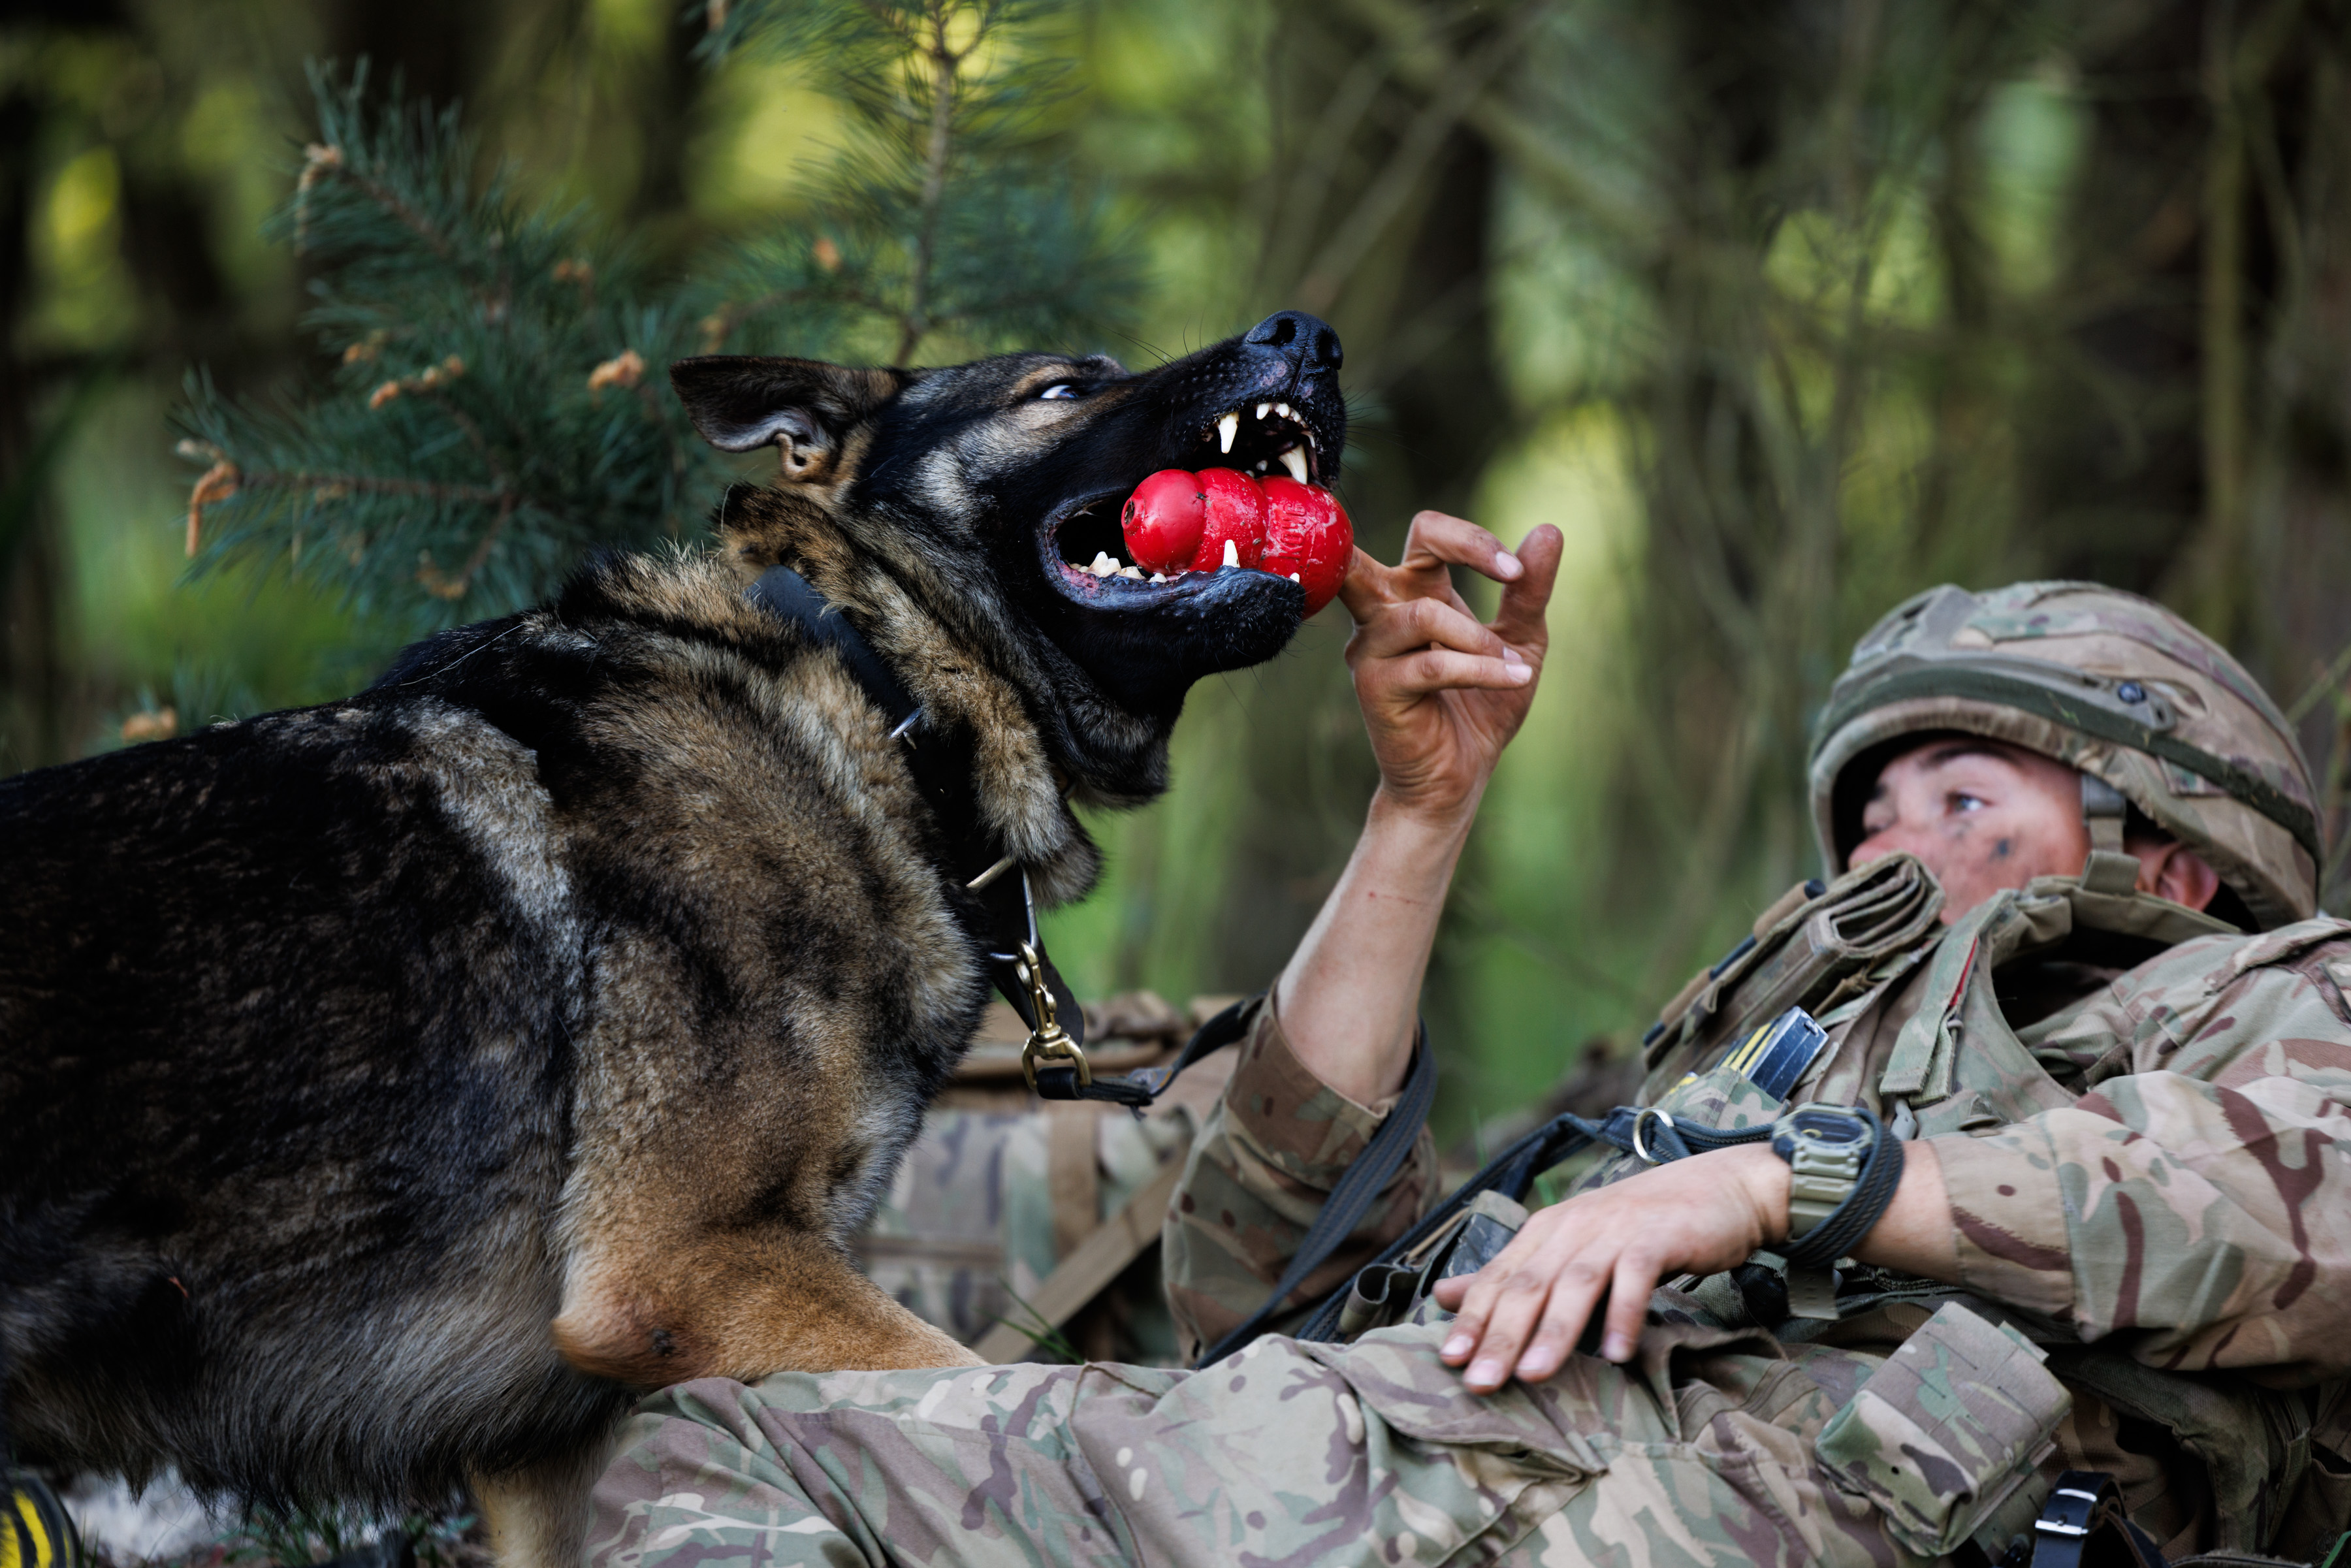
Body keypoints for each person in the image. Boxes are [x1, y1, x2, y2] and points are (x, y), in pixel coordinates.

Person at [586, 515, 2351, 1567]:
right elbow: (1247, 1263)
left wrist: (1769, 1183)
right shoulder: (1765, 1079)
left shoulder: (2250, 1002)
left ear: (2169, 858)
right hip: (1424, 1452)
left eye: (1962, 795)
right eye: (1869, 812)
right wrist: (1420, 822)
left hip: (1764, 1499)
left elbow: (2298, 1201)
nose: (1891, 847)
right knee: (687, 1460)